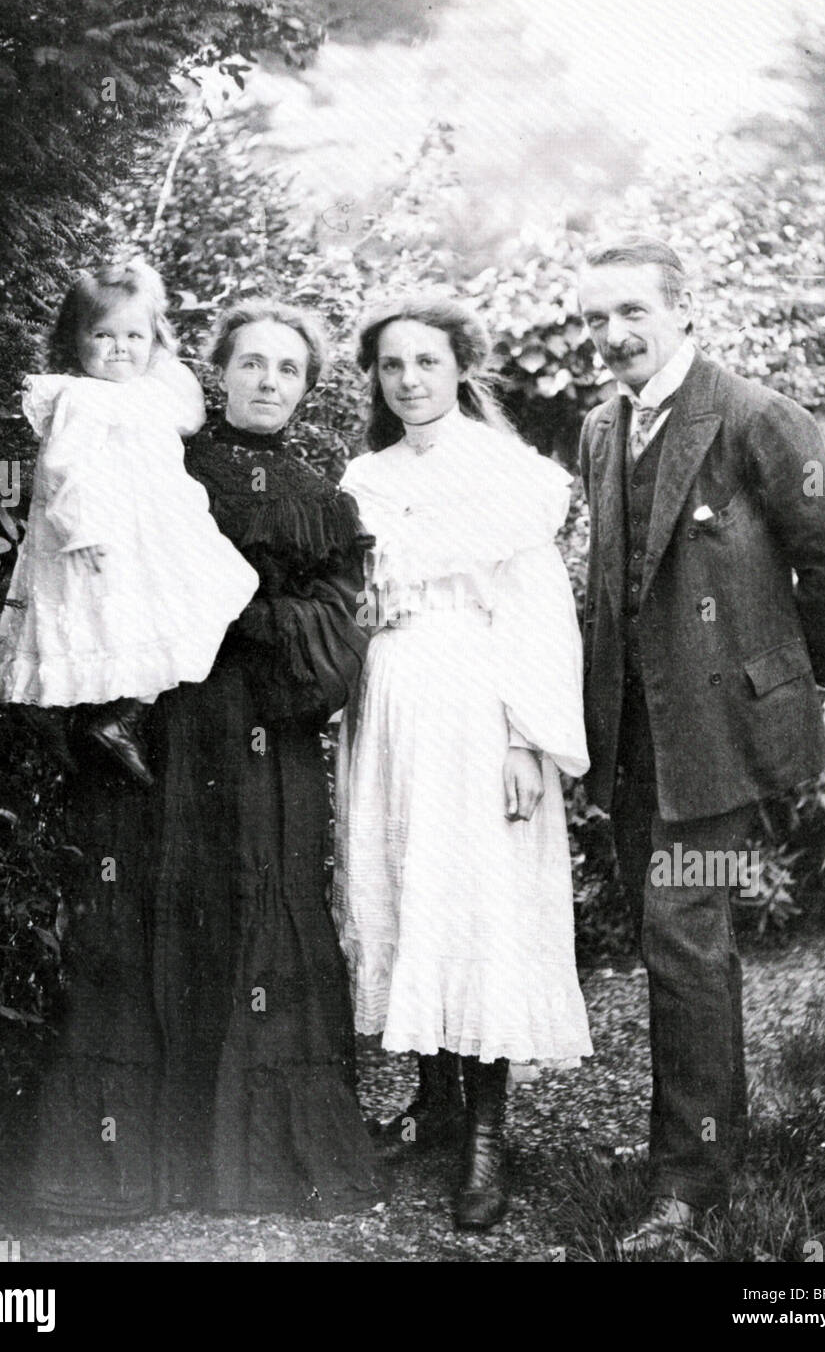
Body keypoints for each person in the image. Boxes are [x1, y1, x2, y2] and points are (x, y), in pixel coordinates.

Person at [30, 298, 387, 1225]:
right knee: (143, 908)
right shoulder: (155, 458)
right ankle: (125, 1173)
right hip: (161, 725)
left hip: (265, 731)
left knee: (262, 909)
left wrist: (234, 611)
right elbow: (90, 573)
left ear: (306, 390)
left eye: (287, 370)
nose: (266, 382)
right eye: (250, 364)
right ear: (214, 374)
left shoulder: (323, 501)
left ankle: (259, 1164)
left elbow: (336, 642)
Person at [576, 235, 825, 1254]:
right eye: (594, 319)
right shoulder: (597, 430)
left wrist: (774, 684)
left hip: (714, 746)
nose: (611, 335)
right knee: (677, 942)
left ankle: (690, 1184)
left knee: (683, 936)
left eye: (630, 312)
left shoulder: (757, 417)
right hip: (632, 745)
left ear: (679, 307)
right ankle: (698, 1141)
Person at [334, 297, 593, 1232]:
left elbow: (535, 611)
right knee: (407, 886)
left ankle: (487, 1131)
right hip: (391, 699)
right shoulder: (362, 477)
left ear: (459, 369)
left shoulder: (506, 475)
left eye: (426, 363)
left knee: (475, 896)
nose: (408, 379)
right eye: (391, 365)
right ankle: (432, 1099)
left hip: (476, 703)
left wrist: (527, 738)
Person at [0, 259, 258, 786]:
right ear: (75, 342)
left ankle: (119, 717)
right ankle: (95, 717)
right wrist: (81, 529)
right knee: (113, 627)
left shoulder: (142, 392)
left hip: (159, 528)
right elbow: (62, 470)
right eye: (102, 335)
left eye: (134, 335)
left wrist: (159, 356)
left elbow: (190, 415)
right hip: (108, 535)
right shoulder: (83, 398)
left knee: (224, 589)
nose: (119, 348)